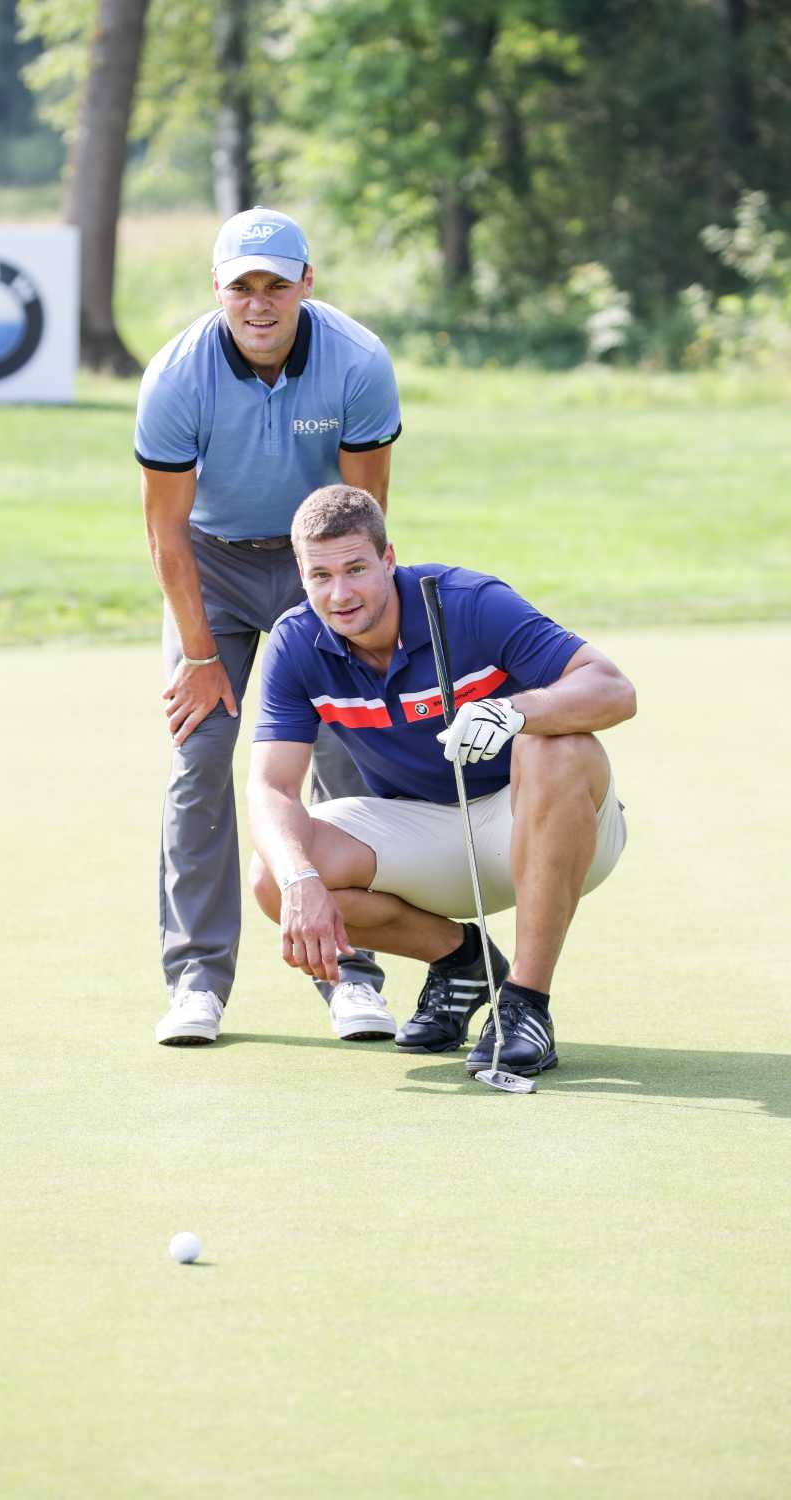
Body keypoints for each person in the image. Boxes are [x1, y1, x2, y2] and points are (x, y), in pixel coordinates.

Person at [246, 485, 636, 1077]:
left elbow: (613, 688)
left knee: (557, 747)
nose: (340, 594)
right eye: (321, 576)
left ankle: (526, 1003)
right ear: (302, 576)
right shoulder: (296, 641)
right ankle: (461, 961)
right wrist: (299, 880)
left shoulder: (470, 602)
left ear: (388, 558)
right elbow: (272, 787)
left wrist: (514, 712)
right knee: (274, 877)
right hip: (424, 833)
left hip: (534, 818)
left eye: (356, 569)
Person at [135, 208, 403, 1047]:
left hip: (315, 565)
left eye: (276, 285)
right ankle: (196, 983)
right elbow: (165, 531)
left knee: (346, 754)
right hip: (210, 568)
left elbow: (362, 516)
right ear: (218, 290)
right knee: (201, 755)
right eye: (242, 287)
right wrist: (200, 655)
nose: (259, 304)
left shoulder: (358, 362)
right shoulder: (176, 377)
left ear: (306, 284)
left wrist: (347, 609)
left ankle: (352, 976)